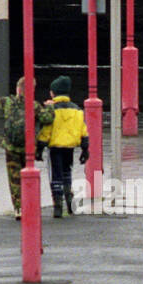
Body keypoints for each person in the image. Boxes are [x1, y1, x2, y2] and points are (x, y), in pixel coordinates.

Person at [0, 79, 55, 219]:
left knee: (14, 179)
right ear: (32, 90)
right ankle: (29, 206)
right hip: (27, 148)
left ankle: (18, 208)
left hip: (11, 147)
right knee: (28, 178)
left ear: (18, 89)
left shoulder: (8, 102)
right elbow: (47, 119)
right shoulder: (34, 106)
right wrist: (50, 106)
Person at [36, 75, 89, 218]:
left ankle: (58, 205)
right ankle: (70, 201)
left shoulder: (51, 110)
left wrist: (39, 148)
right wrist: (85, 149)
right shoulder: (77, 110)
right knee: (67, 172)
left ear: (53, 93)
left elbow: (46, 131)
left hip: (55, 148)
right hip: (70, 147)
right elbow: (83, 130)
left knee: (55, 176)